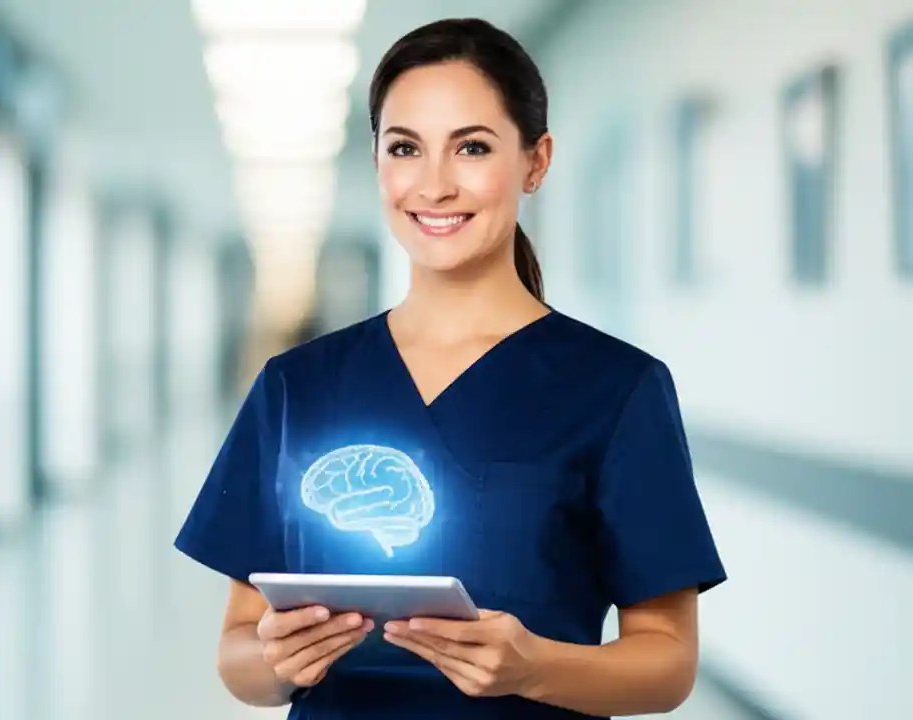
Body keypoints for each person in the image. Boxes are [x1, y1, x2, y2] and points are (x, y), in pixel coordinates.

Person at [173, 17, 727, 720]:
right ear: (378, 161)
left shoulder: (616, 389)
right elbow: (238, 655)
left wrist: (534, 668)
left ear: (536, 161)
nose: (434, 185)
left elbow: (667, 663)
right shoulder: (297, 386)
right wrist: (278, 662)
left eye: (471, 147)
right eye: (406, 147)